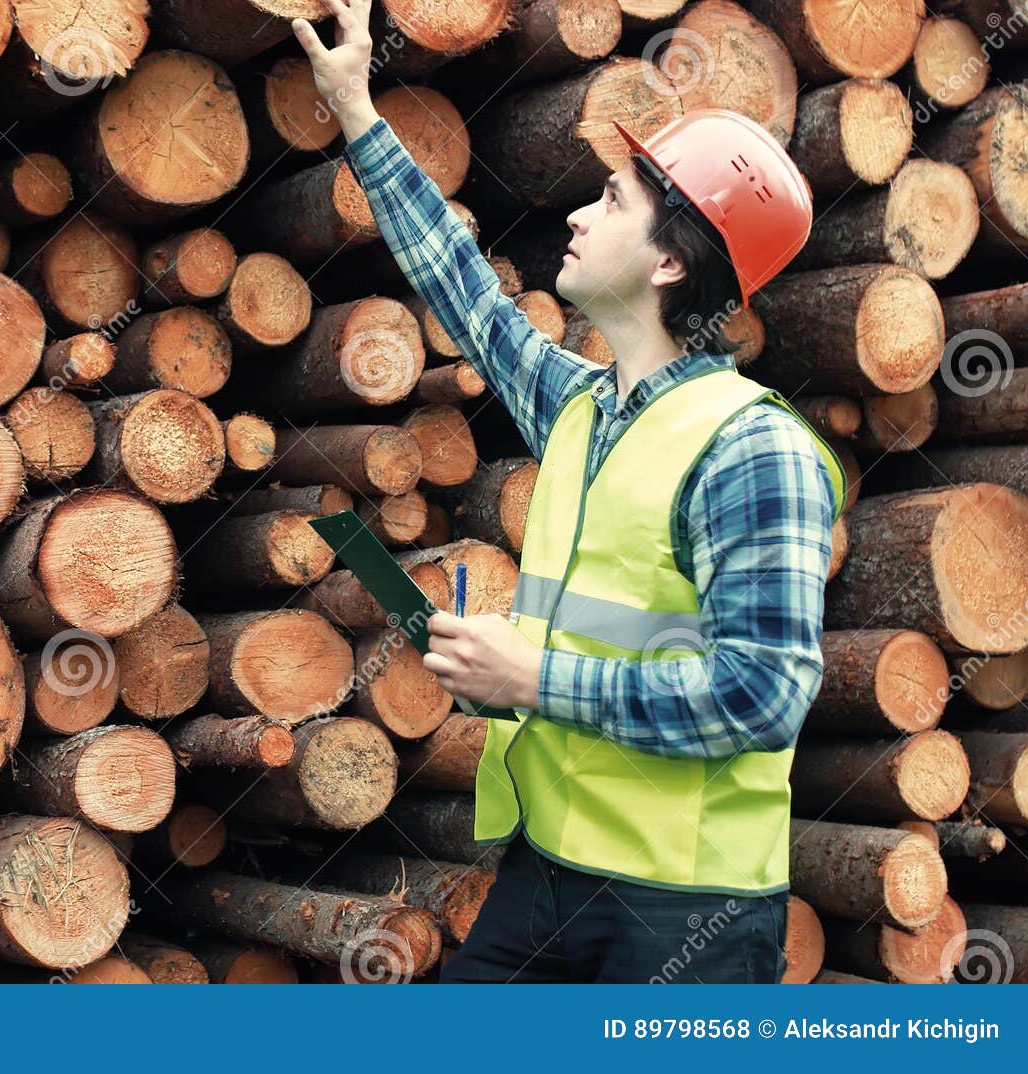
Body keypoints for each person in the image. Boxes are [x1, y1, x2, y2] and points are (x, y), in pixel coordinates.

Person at [294, 0, 847, 983]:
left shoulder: (751, 449)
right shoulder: (582, 407)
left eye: (612, 202)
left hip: (685, 913)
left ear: (670, 260)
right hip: (546, 872)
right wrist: (355, 110)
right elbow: (465, 293)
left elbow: (761, 697)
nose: (579, 216)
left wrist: (535, 681)